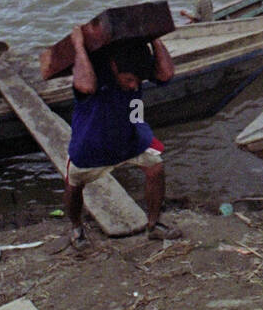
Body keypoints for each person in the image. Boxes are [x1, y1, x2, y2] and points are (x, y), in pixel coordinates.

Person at [64, 27, 182, 243]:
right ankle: (76, 227)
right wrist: (79, 45)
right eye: (128, 80)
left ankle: (154, 224)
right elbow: (85, 85)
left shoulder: (135, 63)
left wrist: (154, 37)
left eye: (137, 81)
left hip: (130, 137)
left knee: (156, 167)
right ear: (113, 67)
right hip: (91, 145)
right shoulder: (94, 72)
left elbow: (166, 74)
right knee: (74, 186)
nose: (133, 86)